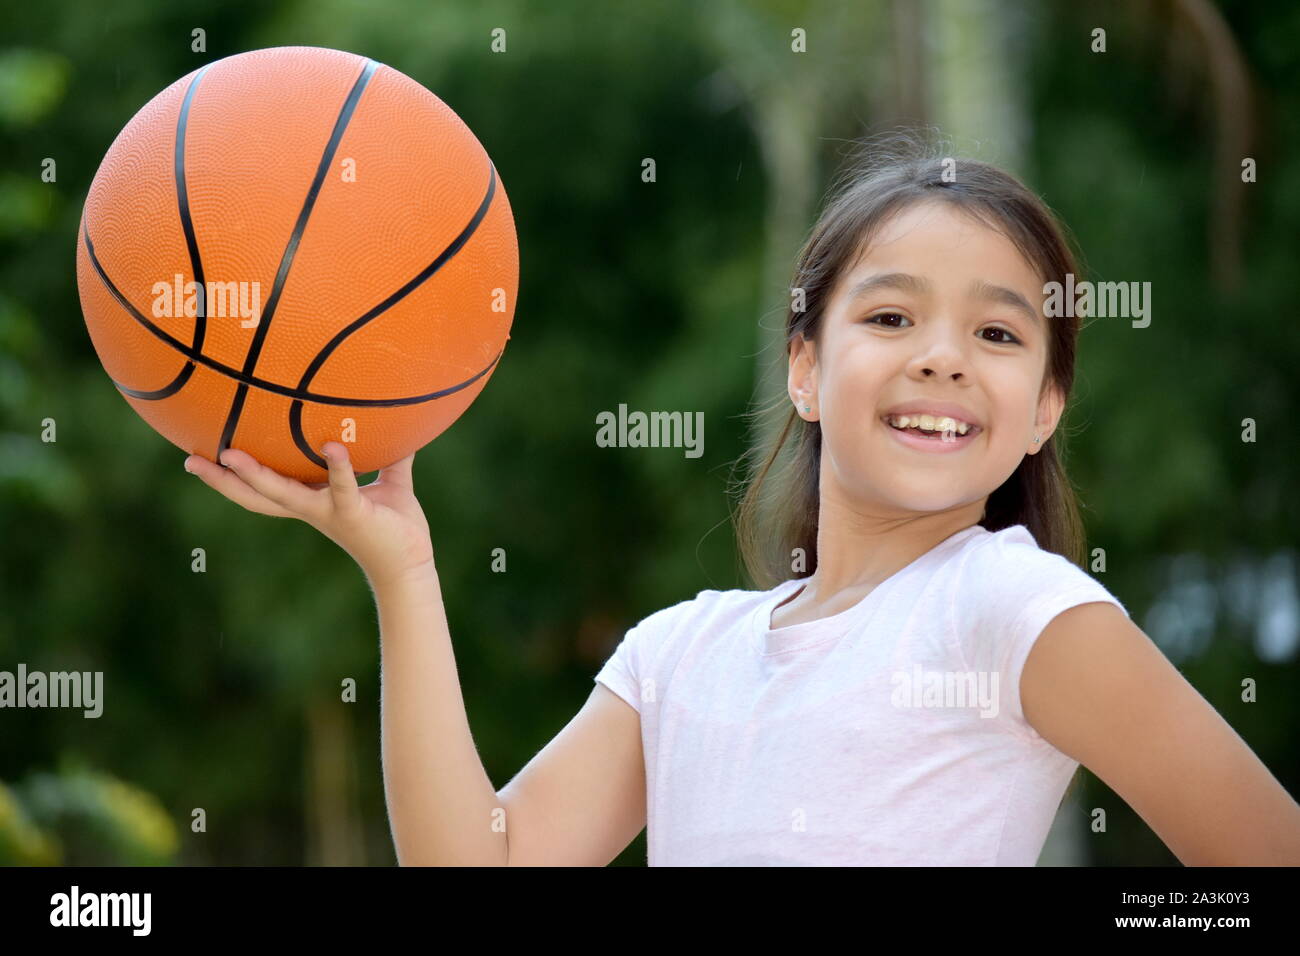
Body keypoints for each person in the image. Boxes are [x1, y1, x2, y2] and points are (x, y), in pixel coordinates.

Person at [183, 138, 1300, 867]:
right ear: (804, 370)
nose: (944, 358)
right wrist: (403, 571)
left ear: (1045, 406)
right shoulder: (679, 652)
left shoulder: (1014, 606)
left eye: (999, 333)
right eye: (892, 317)